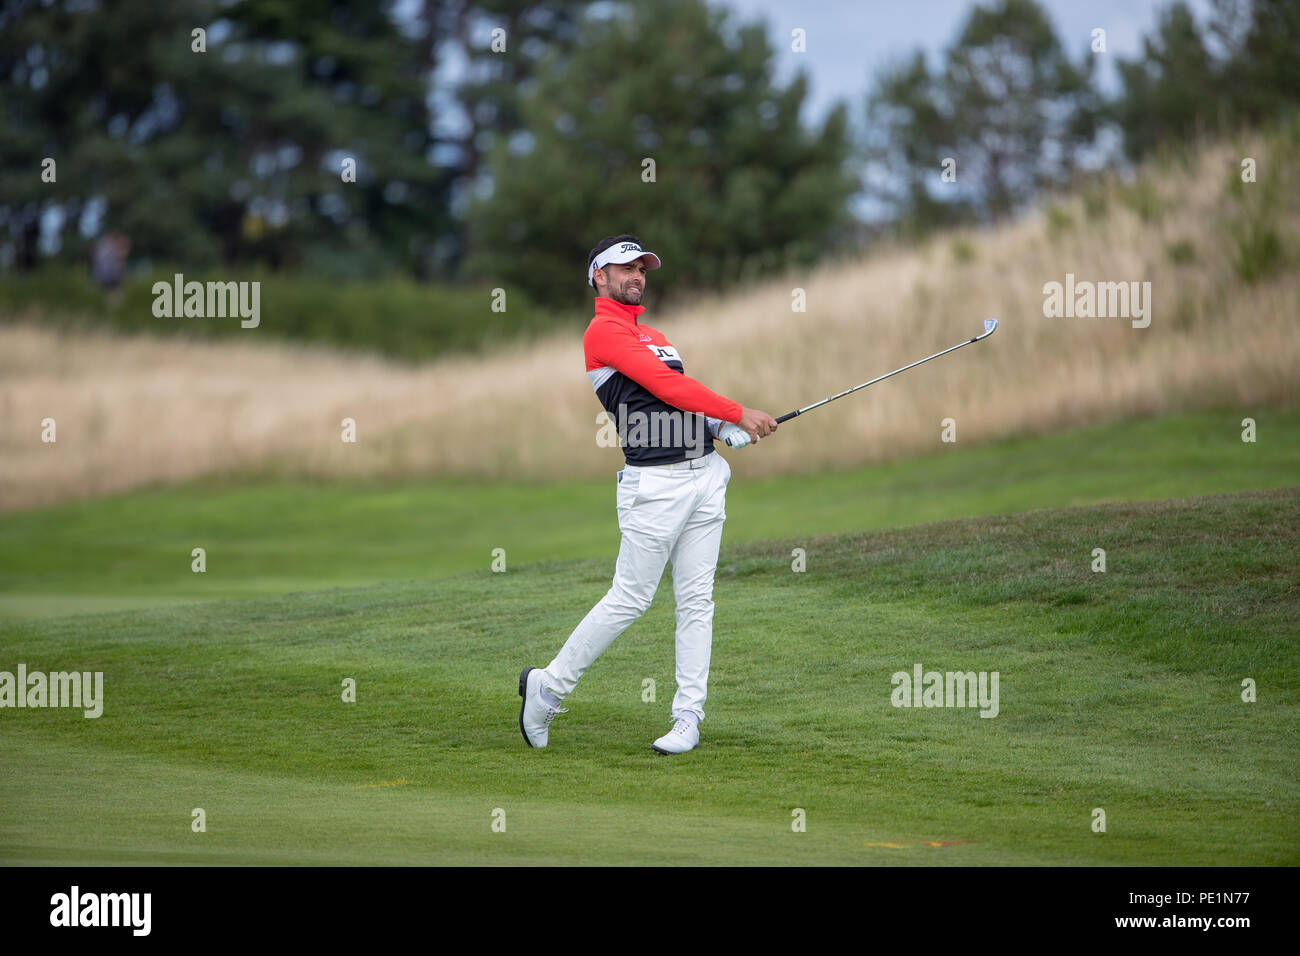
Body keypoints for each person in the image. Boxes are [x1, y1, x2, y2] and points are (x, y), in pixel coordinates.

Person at [518, 233, 778, 754]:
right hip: (654, 486)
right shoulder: (602, 334)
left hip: (705, 476)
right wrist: (735, 412)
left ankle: (687, 718)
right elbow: (665, 386)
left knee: (697, 601)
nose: (638, 276)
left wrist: (713, 429)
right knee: (630, 598)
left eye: (643, 269)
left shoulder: (656, 334)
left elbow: (674, 406)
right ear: (599, 276)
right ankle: (547, 688)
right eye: (626, 268)